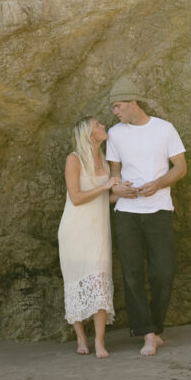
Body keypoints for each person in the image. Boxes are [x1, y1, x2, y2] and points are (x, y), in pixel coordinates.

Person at [105, 78, 186, 357]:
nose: (115, 112)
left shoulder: (164, 129)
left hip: (160, 209)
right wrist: (118, 186)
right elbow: (114, 171)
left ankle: (154, 326)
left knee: (163, 271)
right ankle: (148, 334)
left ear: (132, 103)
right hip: (127, 212)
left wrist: (159, 184)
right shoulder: (115, 134)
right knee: (132, 274)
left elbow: (181, 167)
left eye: (118, 106)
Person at [58, 116, 117, 357]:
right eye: (98, 125)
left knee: (100, 281)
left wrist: (126, 195)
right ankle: (82, 338)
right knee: (76, 283)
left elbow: (106, 197)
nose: (103, 126)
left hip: (98, 230)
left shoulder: (104, 157)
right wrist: (106, 187)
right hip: (74, 229)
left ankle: (100, 342)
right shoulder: (74, 159)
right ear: (89, 134)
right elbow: (76, 197)